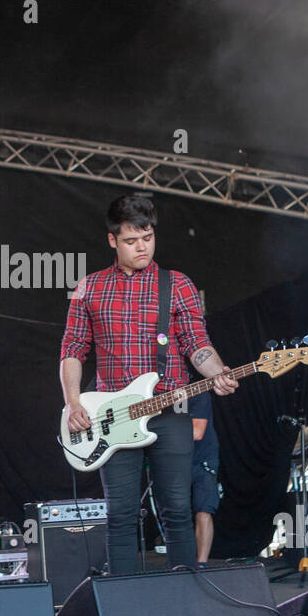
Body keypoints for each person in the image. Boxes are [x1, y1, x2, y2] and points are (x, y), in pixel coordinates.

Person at [60, 194, 238, 575]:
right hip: (112, 416)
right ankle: (122, 603)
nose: (141, 247)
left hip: (170, 409)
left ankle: (185, 595)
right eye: (130, 240)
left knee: (176, 506)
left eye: (147, 237)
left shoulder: (176, 284)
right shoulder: (88, 288)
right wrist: (74, 403)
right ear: (112, 240)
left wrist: (217, 373)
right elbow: (72, 349)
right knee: (121, 513)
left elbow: (196, 342)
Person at [188, 388, 220, 567]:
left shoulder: (197, 392)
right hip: (175, 459)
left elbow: (197, 432)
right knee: (177, 512)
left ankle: (202, 563)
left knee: (203, 509)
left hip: (202, 458)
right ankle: (182, 561)